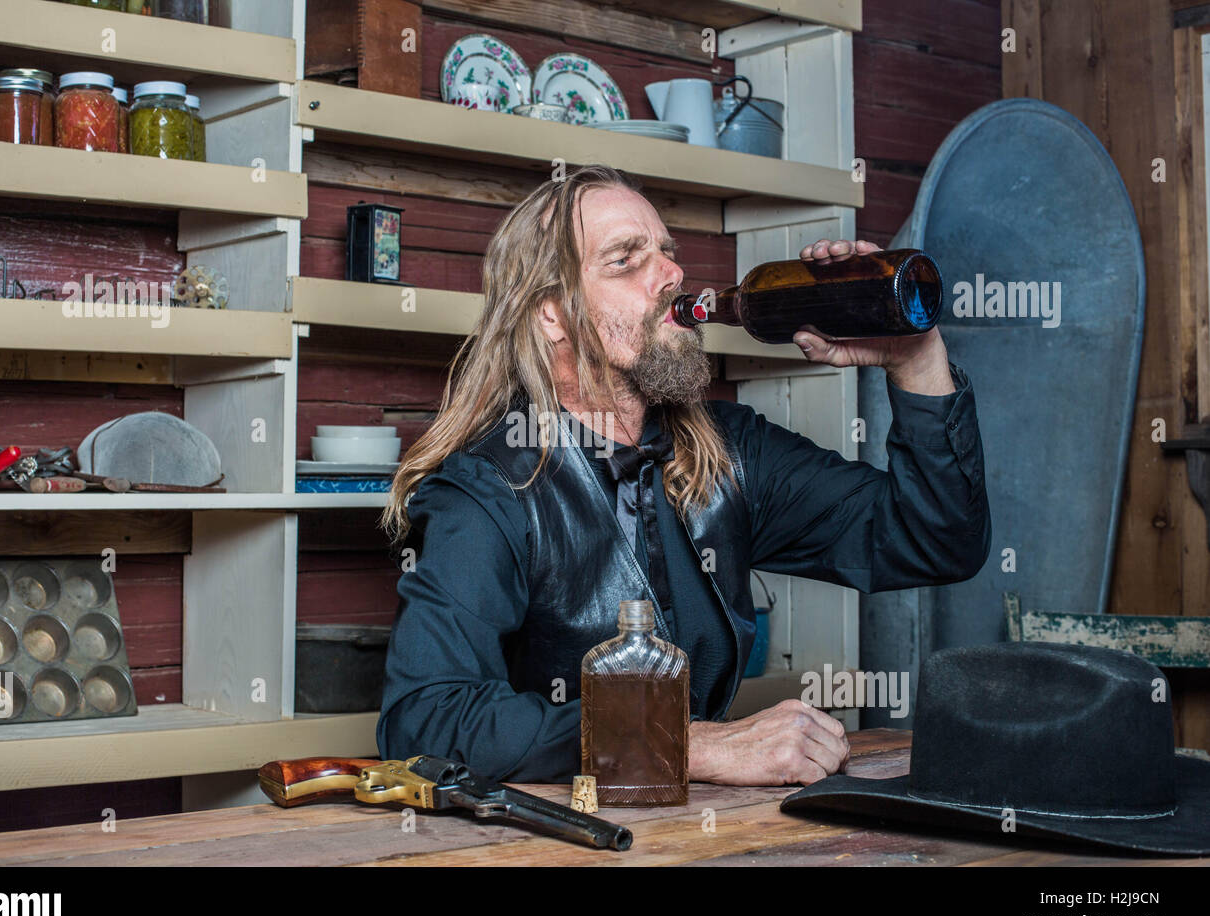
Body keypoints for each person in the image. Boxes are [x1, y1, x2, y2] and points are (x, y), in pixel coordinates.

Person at [377, 164, 991, 785]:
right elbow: (426, 717)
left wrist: (916, 360)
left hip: (694, 834)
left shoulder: (730, 450)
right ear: (551, 315)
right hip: (543, 839)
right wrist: (687, 745)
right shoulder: (488, 488)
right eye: (625, 260)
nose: (671, 275)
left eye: (667, 253)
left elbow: (936, 541)